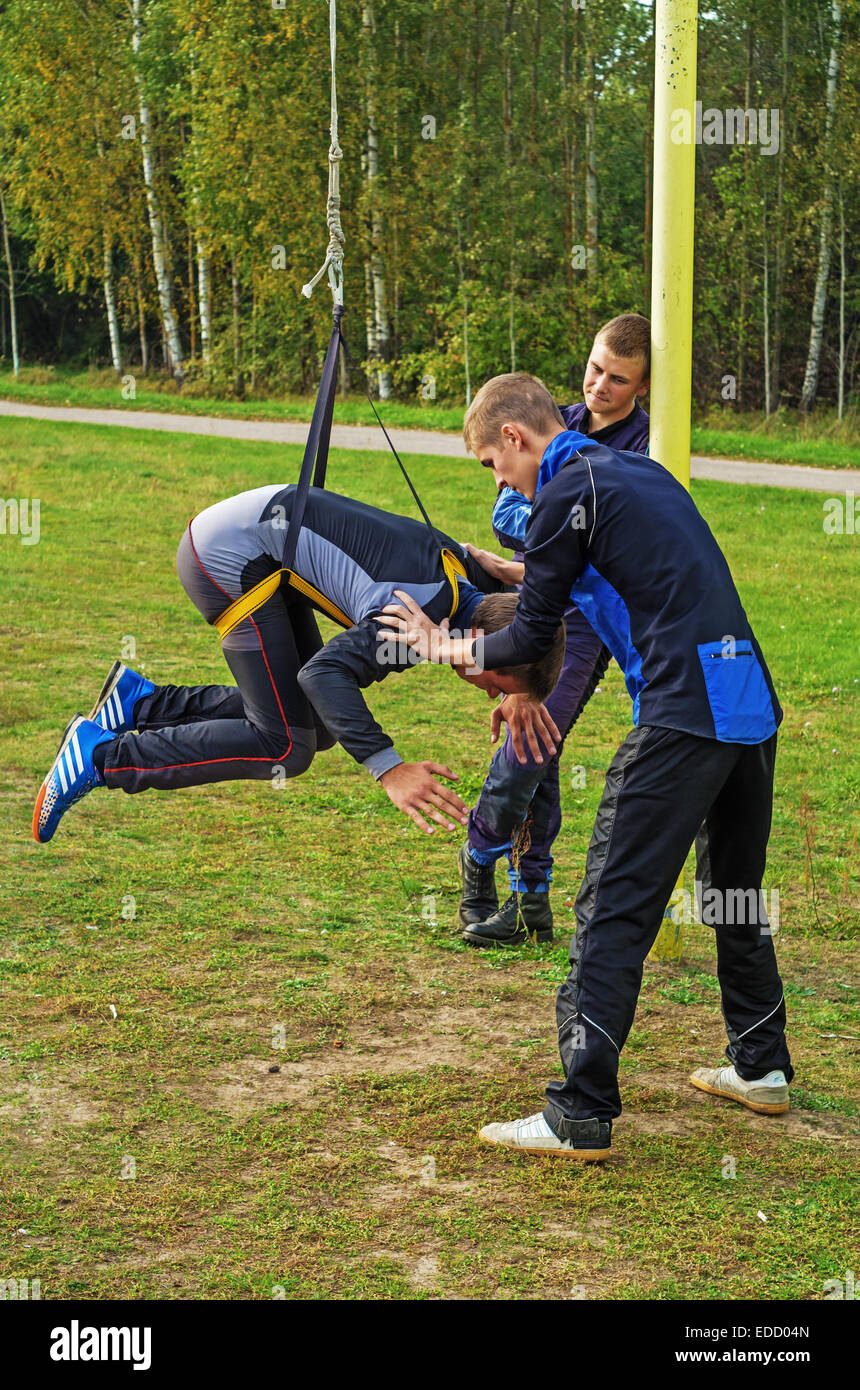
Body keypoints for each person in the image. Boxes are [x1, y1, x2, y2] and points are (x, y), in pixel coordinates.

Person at [380, 372, 793, 1162]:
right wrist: (506, 571)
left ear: (514, 437)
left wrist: (443, 644)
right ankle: (761, 1064)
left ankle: (580, 1110)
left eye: (491, 466)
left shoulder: (568, 486)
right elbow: (593, 578)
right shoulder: (630, 471)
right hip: (746, 696)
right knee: (734, 891)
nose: (499, 482)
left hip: (683, 711)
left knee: (612, 903)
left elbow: (531, 635)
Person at [33, 484, 564, 844]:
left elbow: (520, 608)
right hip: (228, 556)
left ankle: (142, 703)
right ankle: (102, 757)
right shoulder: (414, 622)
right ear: (478, 641)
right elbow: (322, 675)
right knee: (286, 744)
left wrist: (524, 688)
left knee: (311, 726)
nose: (491, 694)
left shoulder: (467, 585)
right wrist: (389, 768)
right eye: (496, 683)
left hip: (261, 547)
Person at [458, 314, 651, 947]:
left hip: (587, 621)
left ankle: (480, 865)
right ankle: (527, 897)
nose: (599, 386)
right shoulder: (555, 421)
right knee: (538, 742)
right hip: (533, 599)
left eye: (618, 379)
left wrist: (551, 531)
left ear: (643, 387)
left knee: (532, 744)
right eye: (596, 368)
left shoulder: (648, 447)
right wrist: (555, 531)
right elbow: (506, 511)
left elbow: (598, 546)